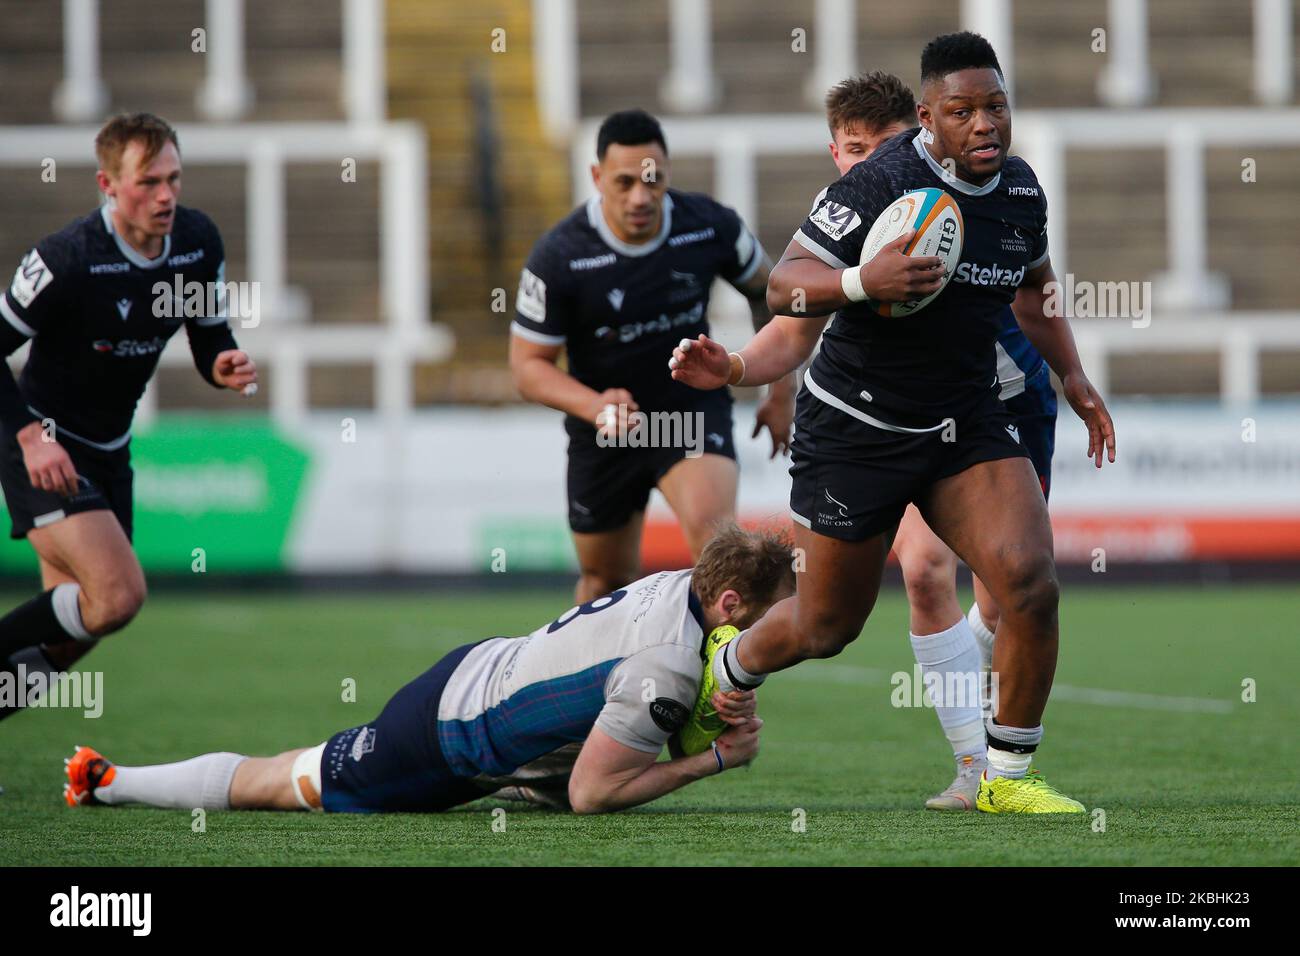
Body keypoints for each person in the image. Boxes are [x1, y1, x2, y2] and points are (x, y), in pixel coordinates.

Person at [670, 33, 1115, 814]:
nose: (985, 124)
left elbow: (1032, 288)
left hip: (963, 421)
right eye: (963, 110)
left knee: (1029, 580)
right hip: (856, 429)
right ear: (926, 118)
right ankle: (731, 665)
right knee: (826, 624)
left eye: (996, 106)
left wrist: (1073, 374)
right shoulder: (881, 181)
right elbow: (786, 287)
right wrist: (859, 280)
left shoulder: (1019, 190)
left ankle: (1006, 780)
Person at [64, 525, 793, 816]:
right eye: (769, 622)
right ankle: (108, 781)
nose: (770, 640)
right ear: (729, 601)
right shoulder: (666, 662)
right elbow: (594, 796)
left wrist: (721, 706)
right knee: (289, 780)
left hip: (483, 669)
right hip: (443, 737)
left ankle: (520, 775)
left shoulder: (678, 586)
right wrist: (717, 762)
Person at [812, 72, 1063, 811]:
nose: (868, 166)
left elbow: (1035, 290)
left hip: (1008, 404)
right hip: (916, 417)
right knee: (923, 571)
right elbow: (799, 314)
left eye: (881, 149)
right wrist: (751, 378)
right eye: (852, 151)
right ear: (835, 153)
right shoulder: (857, 215)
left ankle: (998, 758)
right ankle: (972, 765)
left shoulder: (971, 199)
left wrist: (1074, 378)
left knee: (1007, 593)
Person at [0, 112, 257, 720]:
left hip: (112, 450)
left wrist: (221, 361)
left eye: (174, 178)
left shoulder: (197, 242)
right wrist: (33, 439)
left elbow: (208, 332)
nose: (165, 195)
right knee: (117, 596)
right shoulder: (66, 259)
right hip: (41, 445)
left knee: (70, 634)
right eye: (148, 182)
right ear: (107, 185)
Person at [509, 109, 796, 604]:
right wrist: (595, 406)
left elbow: (771, 295)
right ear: (597, 177)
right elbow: (527, 367)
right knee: (604, 581)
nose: (640, 197)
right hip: (604, 426)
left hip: (685, 410)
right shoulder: (560, 255)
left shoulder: (709, 227)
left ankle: (726, 681)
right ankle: (594, 679)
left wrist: (780, 390)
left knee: (718, 553)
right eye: (624, 182)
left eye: (652, 180)